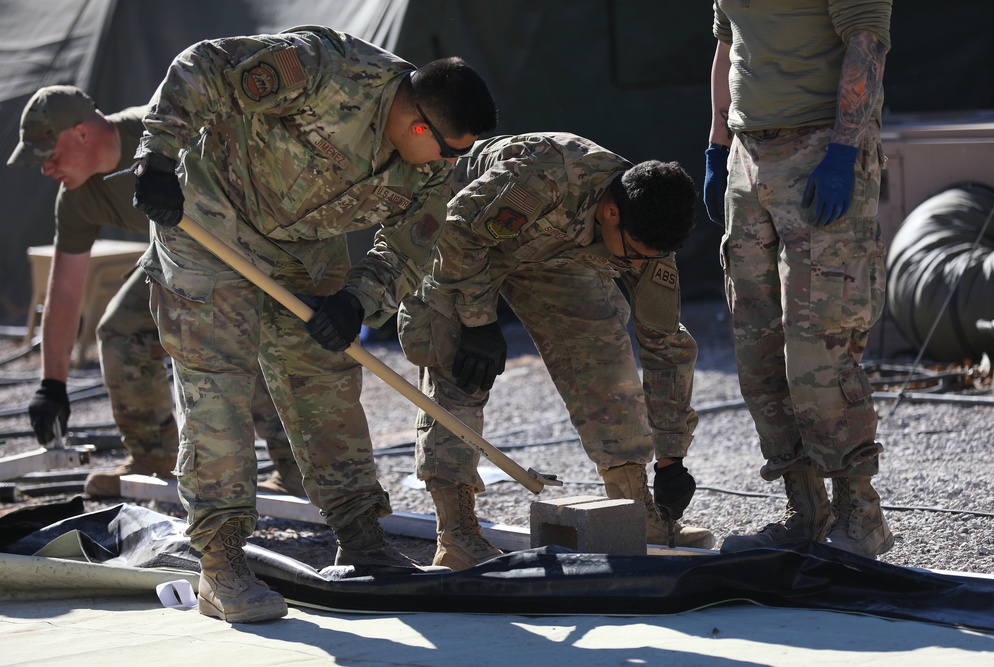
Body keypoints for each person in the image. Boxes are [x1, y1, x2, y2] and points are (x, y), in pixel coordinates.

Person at [130, 27, 497, 622]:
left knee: (326, 383)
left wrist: (358, 300)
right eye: (450, 151)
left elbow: (411, 245)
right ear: (418, 127)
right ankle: (220, 566)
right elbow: (207, 65)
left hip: (307, 249)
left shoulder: (433, 166)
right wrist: (157, 153)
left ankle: (362, 538)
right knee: (217, 391)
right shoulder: (326, 67)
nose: (453, 165)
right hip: (210, 225)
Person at [396, 132, 715, 570]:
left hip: (550, 257)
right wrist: (478, 321)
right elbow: (459, 234)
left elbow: (665, 345)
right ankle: (457, 536)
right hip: (462, 243)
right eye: (634, 255)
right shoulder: (545, 174)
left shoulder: (649, 236)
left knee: (603, 353)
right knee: (457, 362)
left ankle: (635, 515)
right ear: (610, 211)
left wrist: (671, 457)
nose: (638, 266)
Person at [6, 85, 300, 499]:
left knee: (238, 339)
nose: (46, 170)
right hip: (177, 250)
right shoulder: (76, 197)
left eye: (49, 156)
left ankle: (297, 472)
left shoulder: (166, 131)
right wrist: (51, 385)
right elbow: (65, 289)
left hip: (247, 239)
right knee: (122, 330)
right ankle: (150, 458)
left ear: (82, 134)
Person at [703, 1, 894, 558]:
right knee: (757, 345)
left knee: (819, 344)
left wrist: (843, 149)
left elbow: (866, 44)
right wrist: (718, 144)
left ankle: (861, 517)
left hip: (820, 149)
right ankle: (805, 511)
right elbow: (726, 43)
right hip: (748, 152)